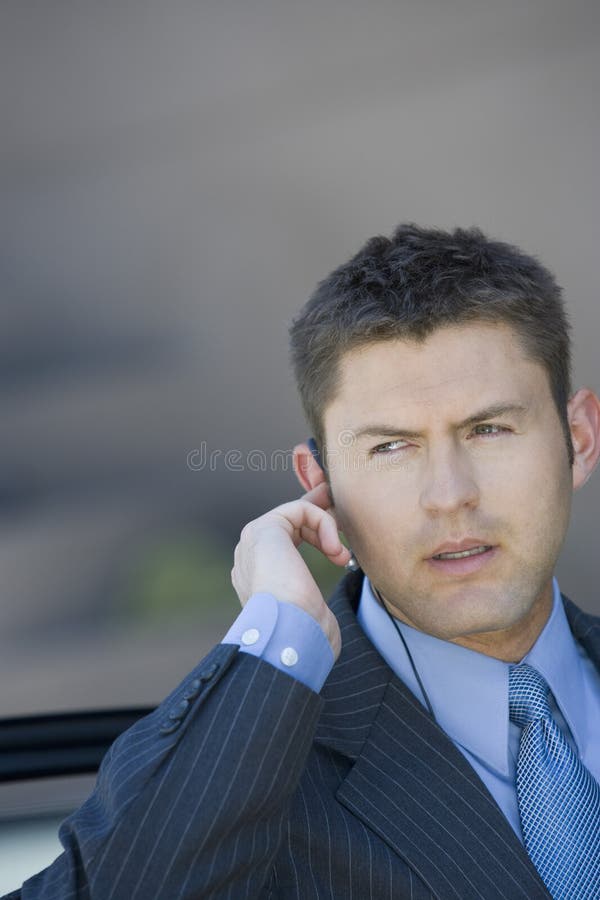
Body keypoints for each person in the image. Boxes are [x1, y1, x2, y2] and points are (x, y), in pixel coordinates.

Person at [9, 225, 600, 899]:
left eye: (489, 429)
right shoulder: (251, 767)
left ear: (577, 440)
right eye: (391, 448)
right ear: (319, 482)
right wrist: (277, 636)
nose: (450, 495)